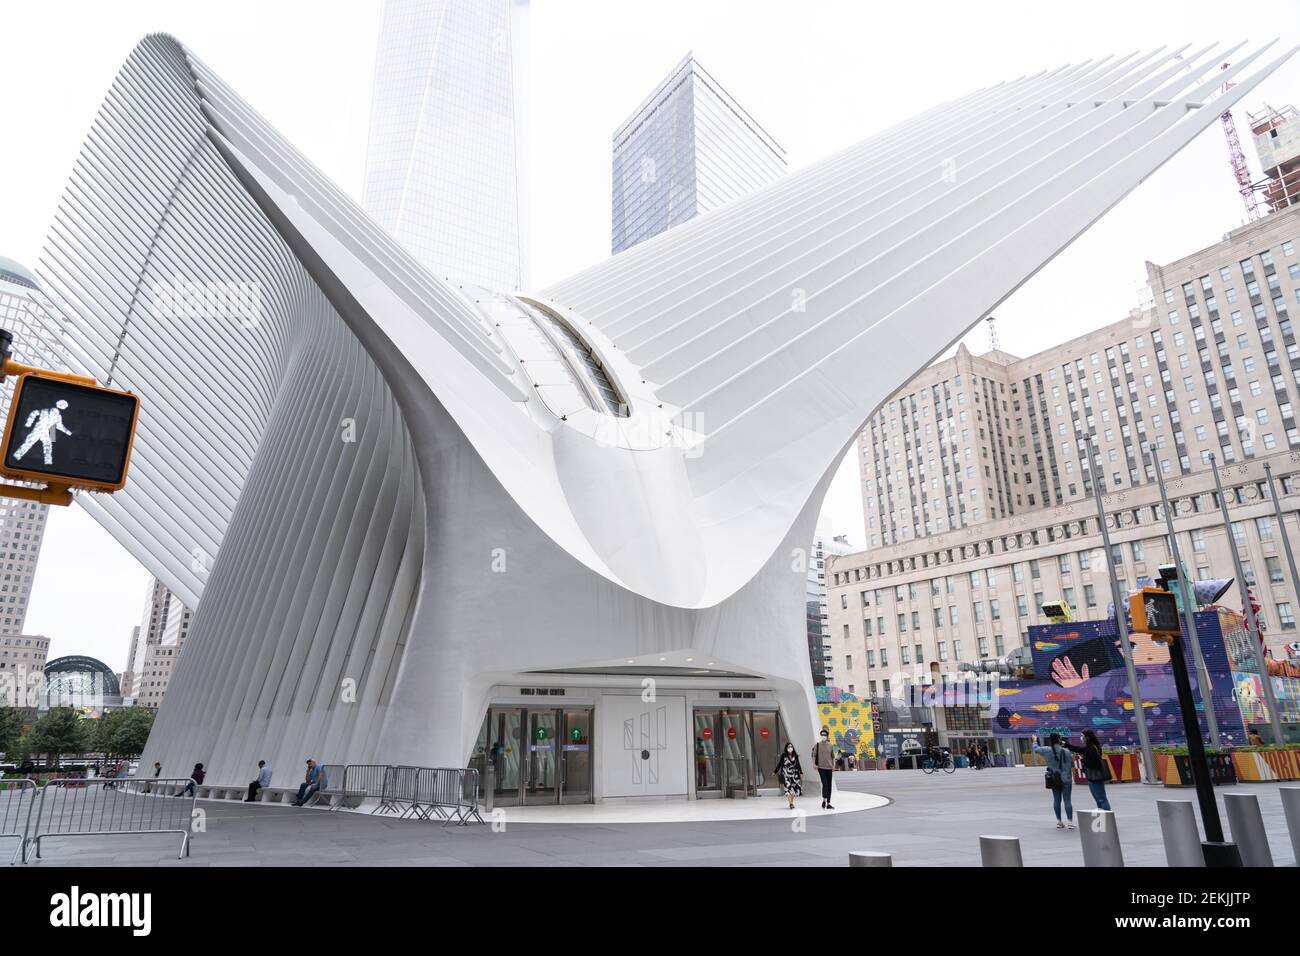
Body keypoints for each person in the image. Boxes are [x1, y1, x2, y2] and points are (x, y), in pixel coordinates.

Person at [1033, 734, 1074, 829]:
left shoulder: (1046, 750)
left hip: (1054, 778)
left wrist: (1035, 740)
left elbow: (1036, 748)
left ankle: (1059, 821)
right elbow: (1071, 764)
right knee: (1067, 800)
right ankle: (1070, 822)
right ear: (1059, 740)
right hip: (1066, 778)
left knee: (1056, 800)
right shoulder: (1066, 751)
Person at [1066, 730, 1112, 811]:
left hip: (1096, 776)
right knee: (1098, 799)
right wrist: (1066, 745)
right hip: (1091, 776)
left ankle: (1107, 818)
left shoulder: (1093, 748)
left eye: (1082, 736)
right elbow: (1079, 749)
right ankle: (1102, 818)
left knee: (1102, 799)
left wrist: (1083, 761)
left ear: (1087, 737)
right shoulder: (1089, 747)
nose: (1081, 738)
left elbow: (1093, 763)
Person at [811, 728, 835, 809]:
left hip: (829, 768)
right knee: (825, 784)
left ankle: (828, 802)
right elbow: (814, 755)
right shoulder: (817, 745)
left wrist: (833, 765)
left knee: (829, 785)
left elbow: (833, 757)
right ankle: (824, 799)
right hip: (821, 767)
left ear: (827, 736)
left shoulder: (830, 745)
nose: (823, 736)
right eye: (822, 735)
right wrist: (814, 764)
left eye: (825, 735)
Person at [775, 742, 803, 809]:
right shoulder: (784, 755)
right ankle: (790, 803)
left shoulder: (795, 756)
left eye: (791, 747)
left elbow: (798, 764)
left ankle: (792, 802)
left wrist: (801, 772)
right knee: (787, 788)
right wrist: (775, 771)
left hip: (794, 775)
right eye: (788, 747)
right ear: (786, 748)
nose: (790, 748)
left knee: (793, 789)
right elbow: (780, 764)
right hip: (786, 774)